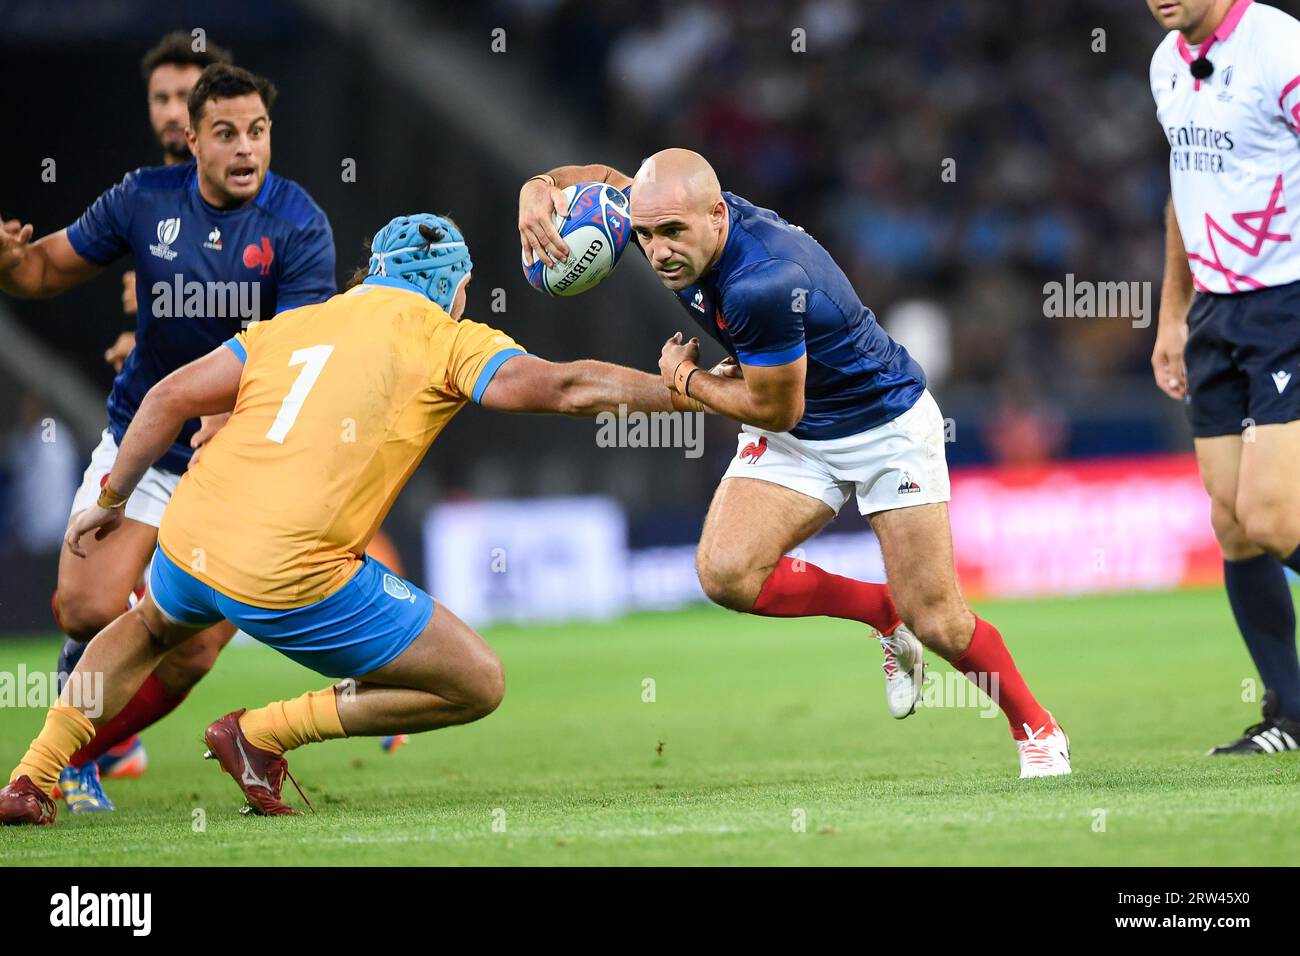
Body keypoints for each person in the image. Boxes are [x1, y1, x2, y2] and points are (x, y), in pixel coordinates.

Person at [0, 213, 694, 824]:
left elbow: (168, 396)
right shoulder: (446, 336)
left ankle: (31, 776)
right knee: (478, 680)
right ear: (454, 285)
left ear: (378, 271)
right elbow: (568, 387)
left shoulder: (292, 325)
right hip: (287, 570)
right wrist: (682, 391)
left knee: (149, 626)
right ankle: (265, 732)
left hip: (192, 536)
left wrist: (111, 500)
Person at [518, 149, 1070, 777]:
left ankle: (1037, 726)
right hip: (799, 426)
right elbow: (611, 183)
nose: (658, 250)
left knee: (939, 619)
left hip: (881, 425)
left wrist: (685, 379)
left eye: (672, 232)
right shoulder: (672, 211)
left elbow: (772, 409)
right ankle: (882, 614)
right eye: (644, 234)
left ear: (717, 215)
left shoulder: (763, 283)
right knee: (726, 574)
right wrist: (539, 188)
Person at [0, 62, 336, 811]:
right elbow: (46, 270)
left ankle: (76, 756)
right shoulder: (143, 199)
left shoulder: (300, 222)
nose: (246, 148)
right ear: (193, 140)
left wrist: (232, 416)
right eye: (226, 134)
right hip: (144, 444)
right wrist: (10, 266)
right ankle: (91, 689)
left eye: (258, 132)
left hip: (241, 458)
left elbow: (300, 352)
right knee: (84, 609)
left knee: (194, 649)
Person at [1148, 0, 1300, 754]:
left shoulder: (1281, 47)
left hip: (1287, 304)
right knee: (1234, 526)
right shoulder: (1165, 62)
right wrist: (1173, 314)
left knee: (1273, 518)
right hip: (1214, 313)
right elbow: (1186, 188)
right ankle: (1291, 717)